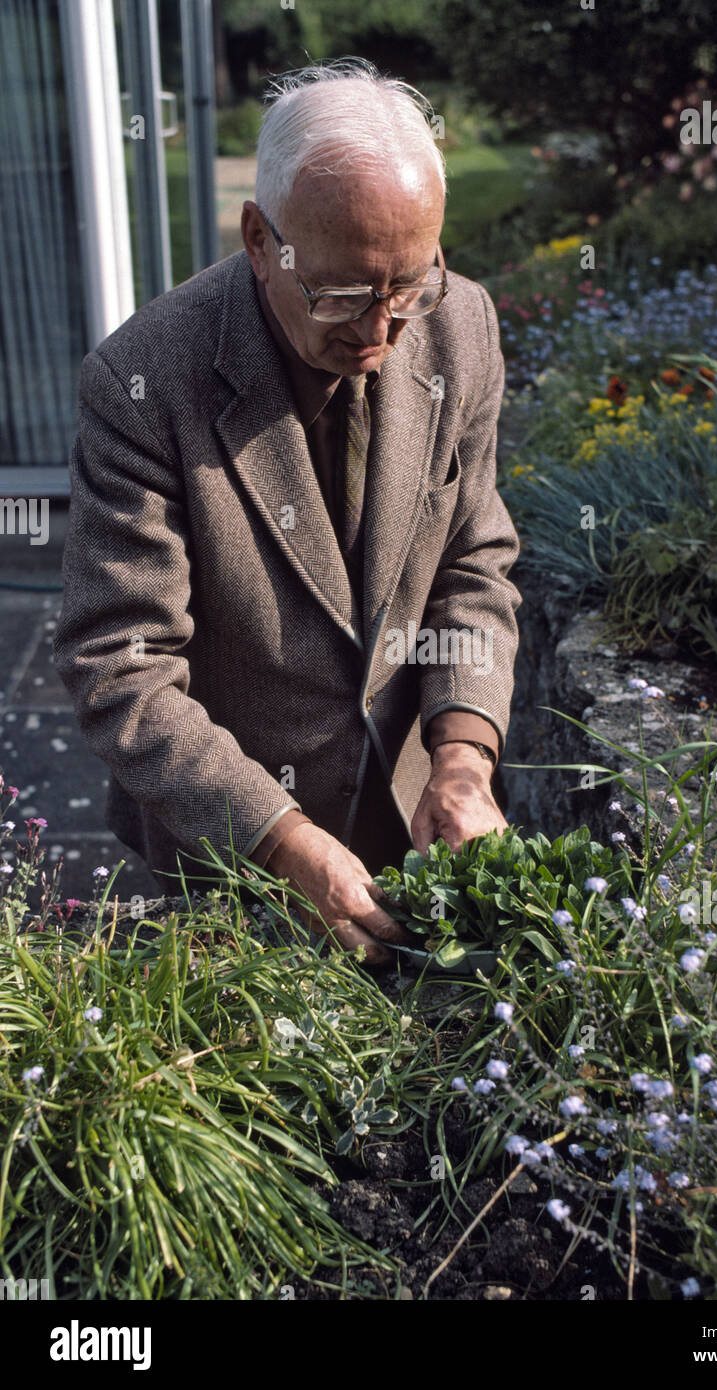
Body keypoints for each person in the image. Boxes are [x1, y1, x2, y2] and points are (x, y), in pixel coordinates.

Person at [53, 58, 521, 965]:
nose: (381, 331)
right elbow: (120, 663)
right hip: (227, 864)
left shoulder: (461, 324)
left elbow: (474, 560)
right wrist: (278, 838)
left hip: (414, 815)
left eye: (410, 284)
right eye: (342, 292)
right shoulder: (142, 382)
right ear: (261, 239)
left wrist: (462, 755)